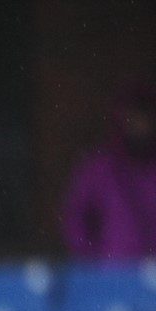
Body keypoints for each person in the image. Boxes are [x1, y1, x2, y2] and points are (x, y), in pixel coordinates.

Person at [62, 79, 156, 260]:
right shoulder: (98, 169)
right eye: (134, 119)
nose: (140, 127)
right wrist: (94, 259)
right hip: (113, 276)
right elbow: (75, 220)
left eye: (146, 120)